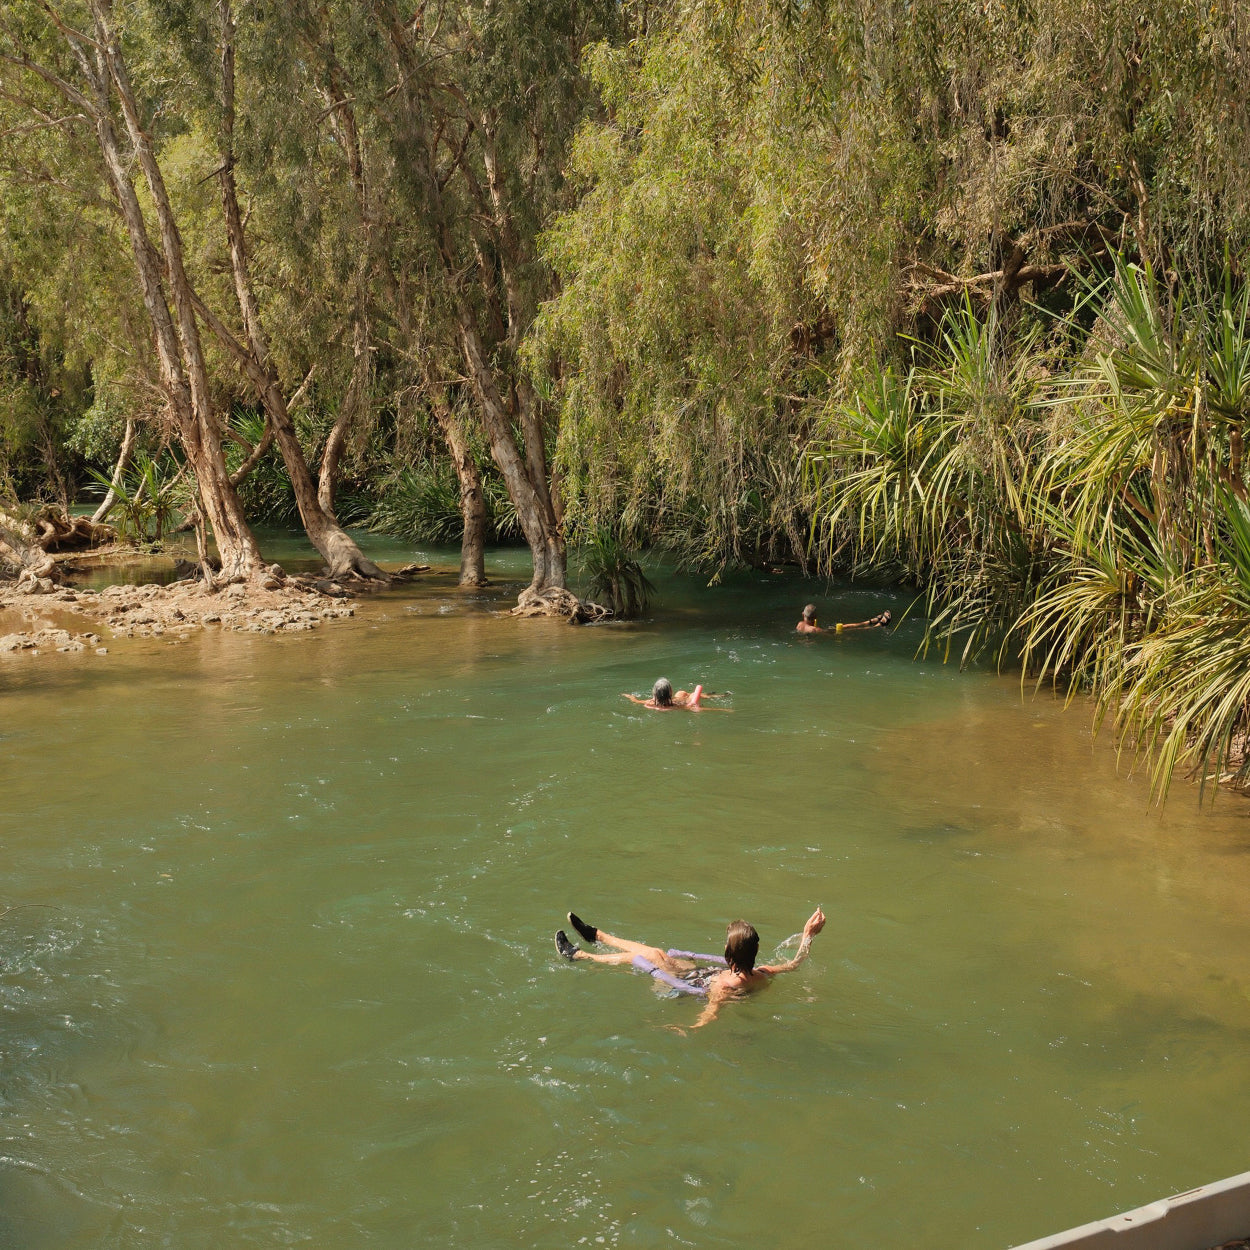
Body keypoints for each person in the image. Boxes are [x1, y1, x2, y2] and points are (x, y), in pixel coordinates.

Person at [554, 906, 826, 1030]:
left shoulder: (725, 986)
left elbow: (712, 1012)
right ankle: (598, 936)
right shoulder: (763, 974)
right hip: (698, 975)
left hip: (685, 988)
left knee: (643, 958)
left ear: (729, 955)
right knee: (658, 952)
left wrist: (688, 1027)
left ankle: (580, 956)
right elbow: (794, 964)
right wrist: (808, 934)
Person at [796, 604, 891, 634]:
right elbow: (830, 637)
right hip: (823, 632)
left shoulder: (799, 625)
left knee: (844, 627)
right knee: (850, 628)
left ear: (802, 614)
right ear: (815, 617)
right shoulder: (815, 629)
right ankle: (877, 625)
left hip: (820, 632)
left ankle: (870, 622)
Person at [621, 677, 704, 709]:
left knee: (680, 693)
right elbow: (689, 706)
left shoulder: (650, 703)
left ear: (654, 693)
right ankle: (709, 695)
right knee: (686, 693)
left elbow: (636, 701)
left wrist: (629, 696)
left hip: (662, 704)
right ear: (670, 692)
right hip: (676, 702)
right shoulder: (676, 705)